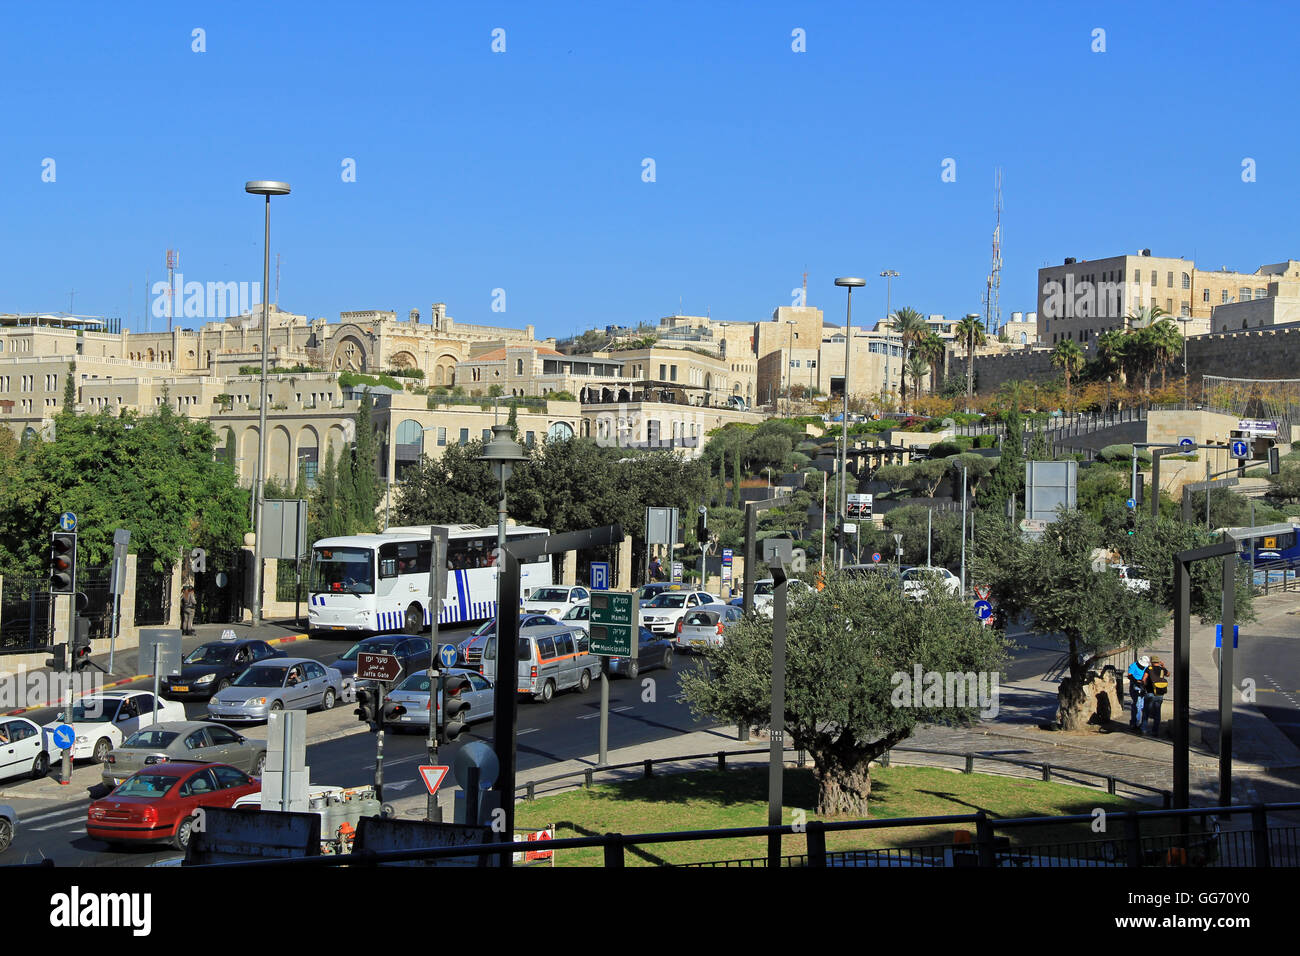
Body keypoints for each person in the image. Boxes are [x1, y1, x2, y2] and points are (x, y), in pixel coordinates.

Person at [1142, 657, 1169, 737]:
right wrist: (1163, 666)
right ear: (1158, 661)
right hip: (1159, 694)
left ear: (1151, 661)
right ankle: (1155, 731)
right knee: (1157, 713)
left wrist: (1144, 686)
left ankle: (1144, 729)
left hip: (1150, 693)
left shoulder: (1149, 669)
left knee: (1146, 712)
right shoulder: (1161, 669)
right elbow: (1168, 674)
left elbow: (1144, 679)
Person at [1127, 655, 1150, 733]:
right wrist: (1136, 681)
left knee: (1141, 705)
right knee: (1137, 705)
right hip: (1135, 686)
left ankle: (1136, 722)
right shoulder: (1133, 666)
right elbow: (1130, 676)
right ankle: (1135, 722)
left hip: (1143, 687)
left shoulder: (1146, 667)